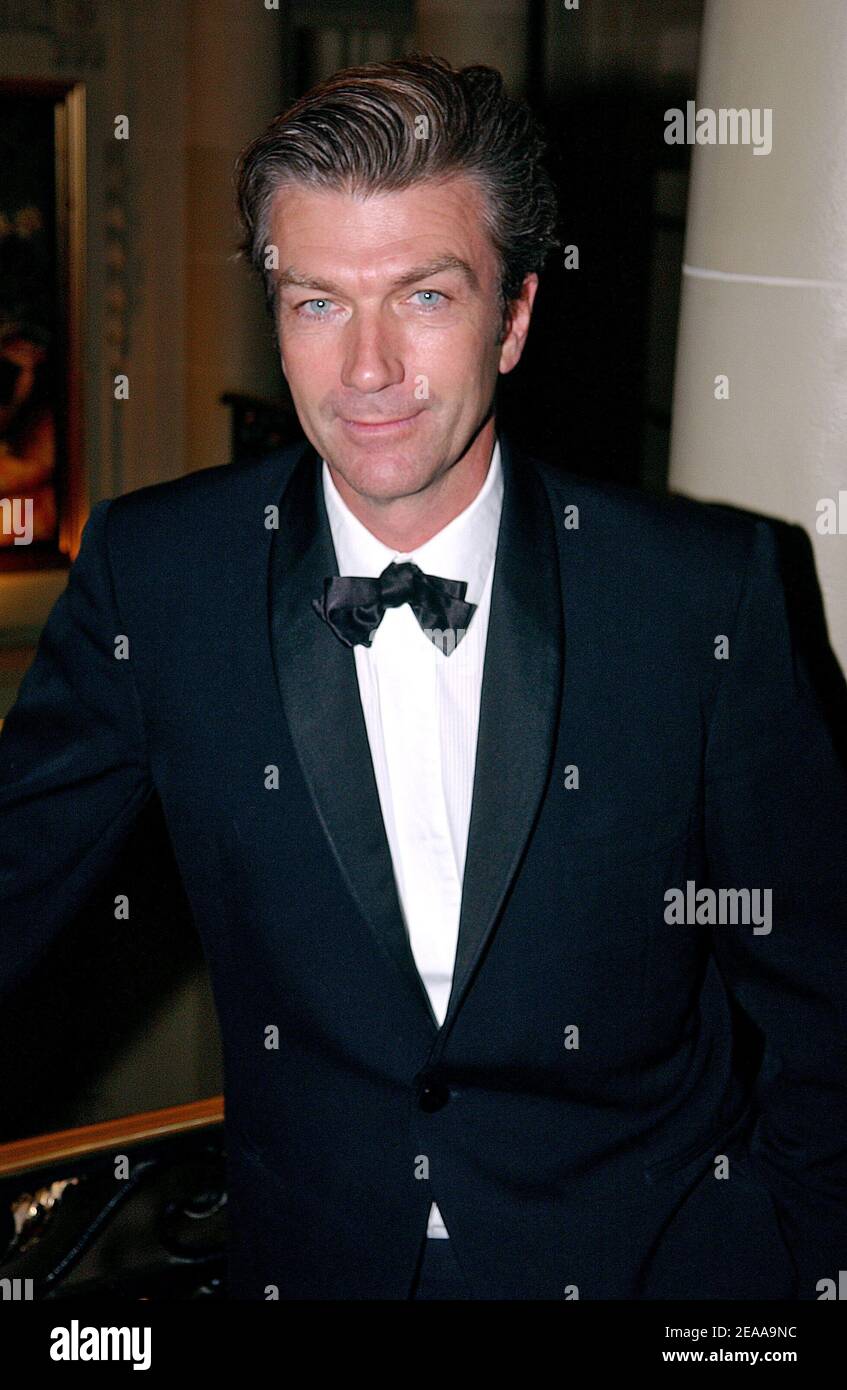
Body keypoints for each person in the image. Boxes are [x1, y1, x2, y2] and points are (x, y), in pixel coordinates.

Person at [1, 55, 845, 1301]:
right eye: (317, 303)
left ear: (512, 316)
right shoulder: (160, 577)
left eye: (425, 296)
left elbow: (825, 997)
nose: (368, 372)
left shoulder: (702, 597)